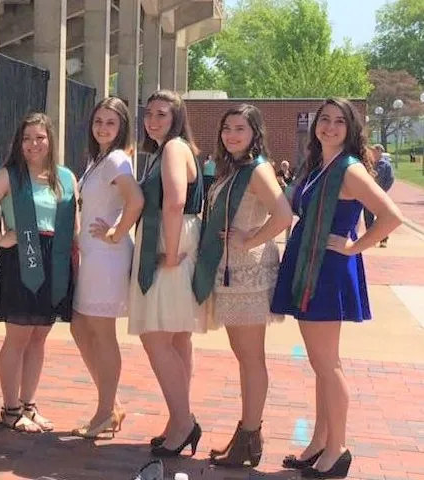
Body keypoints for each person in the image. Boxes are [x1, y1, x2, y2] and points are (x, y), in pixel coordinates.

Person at [271, 98, 402, 478]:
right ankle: (320, 441)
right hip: (310, 265)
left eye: (338, 122)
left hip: (326, 271)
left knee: (327, 365)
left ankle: (338, 449)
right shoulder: (320, 165)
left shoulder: (349, 169)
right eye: (323, 120)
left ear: (350, 130)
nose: (329, 127)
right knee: (322, 364)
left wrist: (353, 245)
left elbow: (390, 216)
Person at [0, 112, 77, 433]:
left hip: (55, 262)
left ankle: (29, 404)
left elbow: (73, 224)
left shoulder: (66, 177)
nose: (33, 144)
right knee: (18, 337)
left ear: (50, 140)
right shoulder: (9, 175)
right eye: (26, 139)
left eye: (39, 138)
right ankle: (10, 409)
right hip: (22, 259)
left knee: (40, 337)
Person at [192, 104, 293, 467]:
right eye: (227, 129)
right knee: (244, 357)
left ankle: (249, 437)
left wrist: (250, 240)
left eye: (240, 129)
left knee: (251, 358)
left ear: (254, 133)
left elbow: (282, 215)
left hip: (248, 276)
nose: (231, 135)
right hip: (231, 273)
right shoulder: (232, 168)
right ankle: (247, 434)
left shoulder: (258, 169)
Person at [127, 90, 205, 457]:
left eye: (162, 114)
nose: (153, 120)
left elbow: (174, 201)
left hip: (170, 243)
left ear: (176, 118)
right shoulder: (165, 150)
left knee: (156, 336)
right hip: (172, 239)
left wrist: (170, 254)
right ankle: (179, 421)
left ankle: (184, 421)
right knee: (175, 340)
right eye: (149, 114)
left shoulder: (173, 148)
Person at [69, 97, 143, 439]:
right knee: (81, 328)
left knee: (101, 333)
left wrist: (116, 232)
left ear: (121, 127)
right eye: (98, 121)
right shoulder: (98, 159)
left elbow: (136, 199)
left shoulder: (116, 160)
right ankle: (110, 405)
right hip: (93, 255)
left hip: (107, 257)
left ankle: (104, 412)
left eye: (110, 123)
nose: (103, 127)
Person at [363, 144, 395, 248]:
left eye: (376, 151)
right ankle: (370, 240)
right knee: (368, 218)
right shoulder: (368, 164)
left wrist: (383, 190)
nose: (374, 153)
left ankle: (383, 239)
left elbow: (390, 179)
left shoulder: (386, 165)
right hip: (368, 194)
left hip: (380, 195)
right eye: (373, 151)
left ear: (381, 152)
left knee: (382, 217)